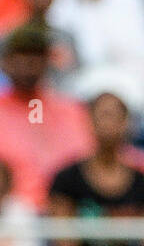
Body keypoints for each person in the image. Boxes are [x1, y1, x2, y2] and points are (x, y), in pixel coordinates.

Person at [48, 89, 144, 246]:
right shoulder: (67, 179)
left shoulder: (142, 182)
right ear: (90, 121)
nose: (109, 123)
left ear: (127, 123)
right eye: (103, 115)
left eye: (116, 116)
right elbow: (63, 244)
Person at [0, 23, 94, 210]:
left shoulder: (71, 110)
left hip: (68, 210)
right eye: (21, 54)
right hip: (12, 214)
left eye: (36, 54)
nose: (28, 62)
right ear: (5, 61)